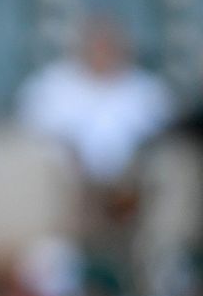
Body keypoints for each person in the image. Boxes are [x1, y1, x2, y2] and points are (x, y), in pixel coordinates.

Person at [16, 15, 174, 187]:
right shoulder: (52, 84)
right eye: (96, 44)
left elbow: (157, 132)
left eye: (109, 45)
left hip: (129, 181)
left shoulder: (147, 89)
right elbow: (37, 130)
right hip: (69, 179)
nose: (102, 51)